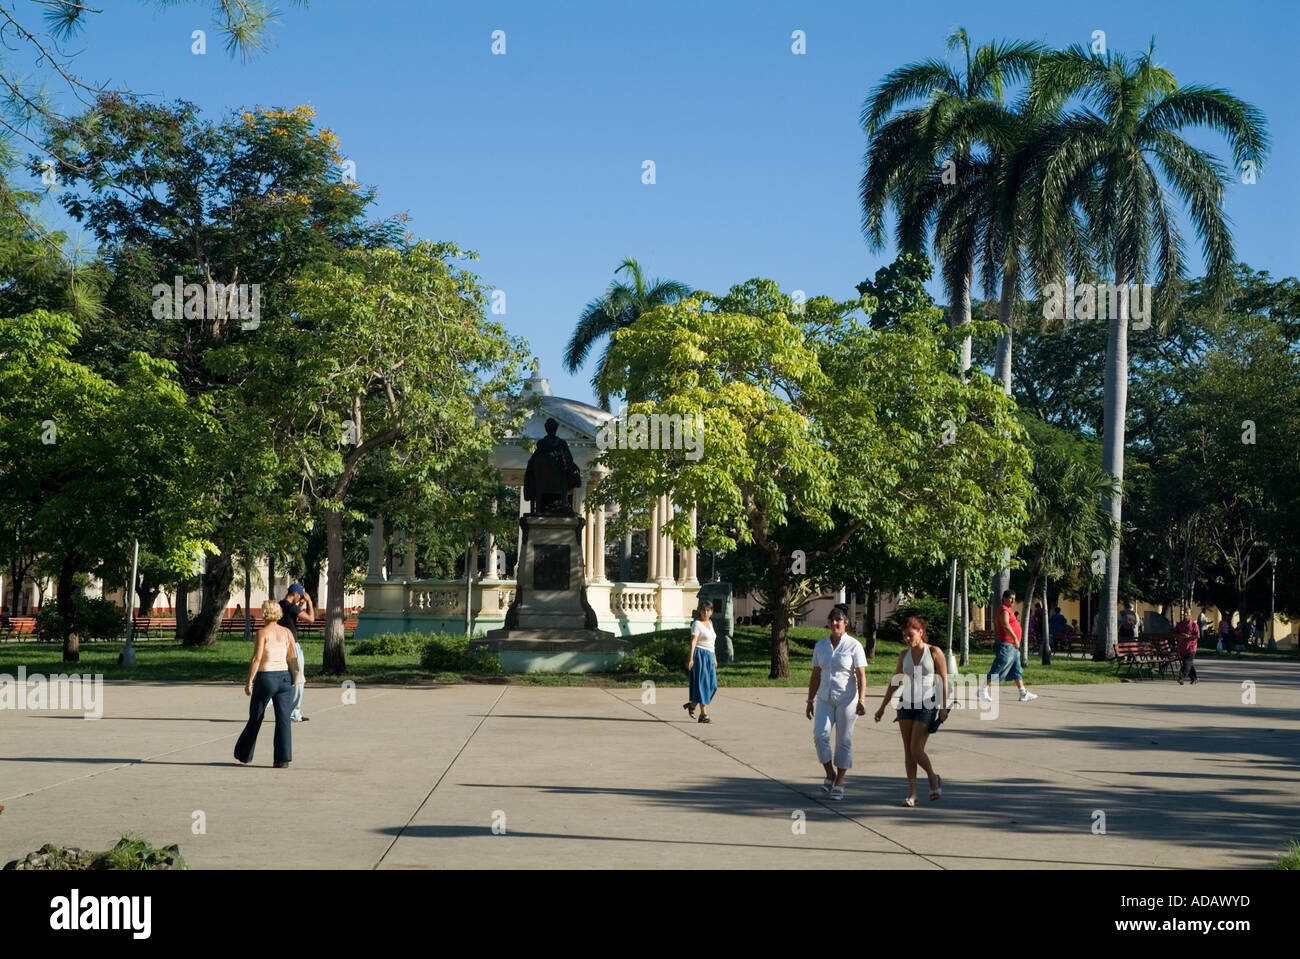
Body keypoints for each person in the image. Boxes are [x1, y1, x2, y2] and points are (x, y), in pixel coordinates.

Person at [875, 616, 948, 806]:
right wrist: (882, 706)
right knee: (908, 751)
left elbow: (942, 680)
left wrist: (943, 707)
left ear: (920, 632)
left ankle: (933, 777)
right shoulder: (903, 655)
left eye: (910, 635)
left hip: (927, 704)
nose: (907, 639)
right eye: (904, 636)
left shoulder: (934, 652)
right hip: (905, 704)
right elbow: (895, 681)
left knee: (917, 749)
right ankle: (913, 793)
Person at [805, 605, 867, 801]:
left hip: (847, 700)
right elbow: (815, 674)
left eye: (838, 620)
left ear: (845, 623)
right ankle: (830, 774)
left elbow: (861, 675)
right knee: (820, 736)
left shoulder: (854, 646)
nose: (834, 623)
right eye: (831, 620)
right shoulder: (821, 646)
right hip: (824, 698)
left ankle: (840, 781)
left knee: (843, 741)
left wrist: (862, 700)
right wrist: (809, 700)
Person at [234, 600, 298, 768]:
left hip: (266, 678)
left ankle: (244, 754)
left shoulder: (262, 633)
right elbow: (292, 657)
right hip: (284, 678)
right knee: (284, 719)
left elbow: (257, 659)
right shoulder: (287, 632)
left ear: (264, 613)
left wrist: (249, 681)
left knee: (256, 715)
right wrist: (295, 679)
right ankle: (283, 759)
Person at [980, 590, 1037, 702]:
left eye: (1014, 599)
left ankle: (1023, 693)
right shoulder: (1003, 609)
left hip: (1012, 646)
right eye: (1011, 598)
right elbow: (1005, 625)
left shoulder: (1008, 610)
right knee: (998, 667)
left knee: (1017, 669)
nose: (1013, 601)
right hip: (1007, 644)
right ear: (1004, 598)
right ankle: (983, 690)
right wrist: (1015, 638)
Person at [279, 584, 315, 722]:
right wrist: (309, 602)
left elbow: (292, 614)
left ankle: (271, 704)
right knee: (298, 680)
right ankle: (294, 713)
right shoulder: (292, 607)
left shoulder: (280, 605)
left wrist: (300, 604)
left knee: (282, 677)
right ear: (295, 594)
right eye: (300, 595)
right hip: (293, 648)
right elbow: (311, 619)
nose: (301, 598)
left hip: (281, 646)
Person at [684, 601, 718, 723]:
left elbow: (712, 643)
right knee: (703, 685)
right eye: (703, 610)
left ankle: (692, 705)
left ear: (711, 612)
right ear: (700, 611)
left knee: (713, 685)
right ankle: (703, 714)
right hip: (700, 655)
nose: (705, 612)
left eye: (708, 610)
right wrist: (691, 658)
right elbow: (693, 641)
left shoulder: (710, 623)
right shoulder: (697, 624)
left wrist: (714, 657)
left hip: (709, 656)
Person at [1173, 608, 1199, 685]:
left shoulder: (1194, 625)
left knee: (1187, 663)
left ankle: (1181, 677)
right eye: (1184, 613)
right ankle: (1194, 678)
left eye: (1187, 613)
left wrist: (1188, 636)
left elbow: (1197, 636)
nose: (1185, 614)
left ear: (1191, 614)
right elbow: (1174, 633)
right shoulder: (1179, 624)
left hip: (1191, 648)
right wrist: (1179, 635)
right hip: (1182, 648)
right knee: (1188, 663)